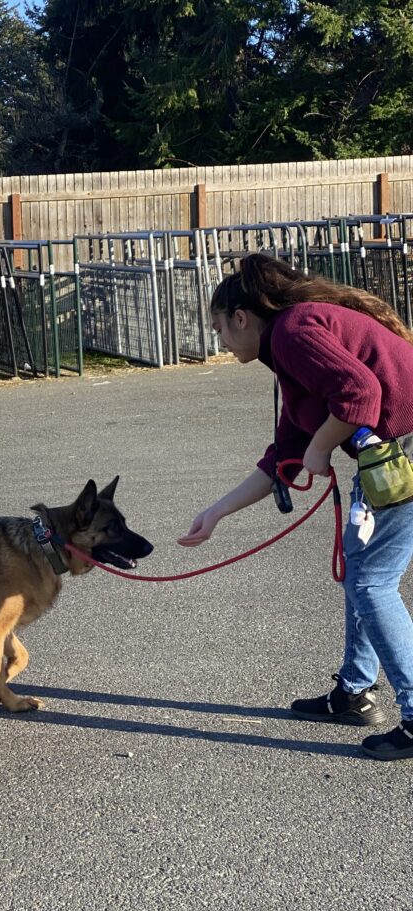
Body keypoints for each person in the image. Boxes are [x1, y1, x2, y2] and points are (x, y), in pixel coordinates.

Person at [178, 253, 413, 761]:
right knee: (360, 572)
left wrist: (322, 447)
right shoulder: (286, 354)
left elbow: (360, 395)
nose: (219, 340)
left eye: (218, 327)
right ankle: (354, 692)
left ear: (241, 317)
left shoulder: (292, 331)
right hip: (386, 458)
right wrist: (216, 513)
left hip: (401, 457)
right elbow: (282, 458)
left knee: (372, 582)